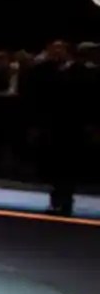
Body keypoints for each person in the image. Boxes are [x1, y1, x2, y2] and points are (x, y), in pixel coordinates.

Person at [29, 41, 88, 216]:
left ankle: (66, 199)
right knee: (53, 164)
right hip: (51, 126)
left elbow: (88, 98)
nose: (55, 52)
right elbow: (37, 97)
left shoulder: (81, 72)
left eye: (59, 49)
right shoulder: (45, 71)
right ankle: (55, 198)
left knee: (69, 165)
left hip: (73, 125)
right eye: (52, 49)